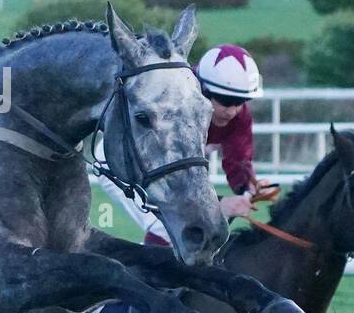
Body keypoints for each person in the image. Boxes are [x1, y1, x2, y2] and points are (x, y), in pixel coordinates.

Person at [94, 43, 267, 246]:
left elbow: (239, 158)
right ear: (202, 90)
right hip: (121, 162)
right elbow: (176, 183)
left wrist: (248, 187)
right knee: (173, 225)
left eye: (241, 101)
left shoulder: (239, 116)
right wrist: (220, 204)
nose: (233, 111)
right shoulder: (177, 105)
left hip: (159, 167)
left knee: (185, 227)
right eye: (226, 101)